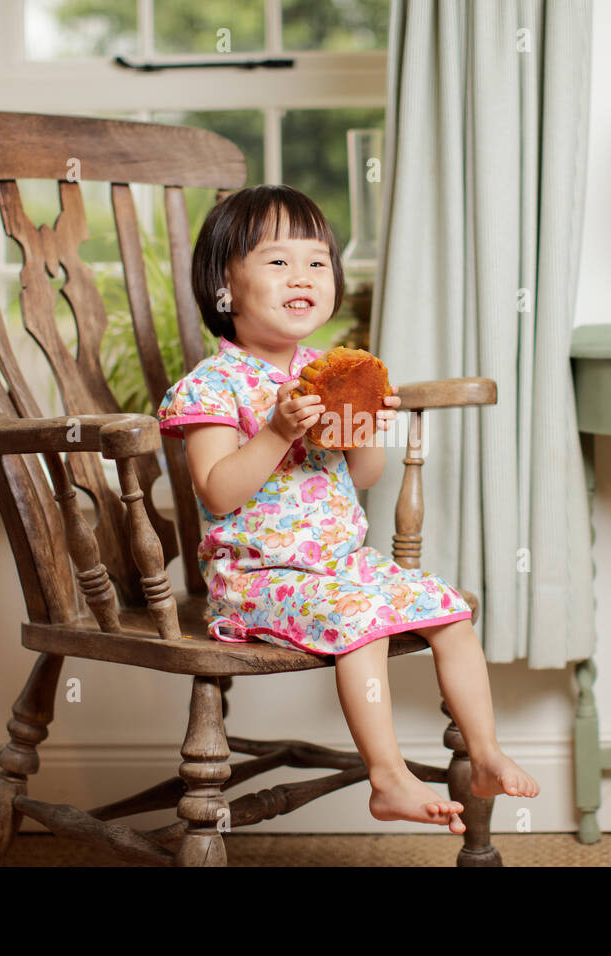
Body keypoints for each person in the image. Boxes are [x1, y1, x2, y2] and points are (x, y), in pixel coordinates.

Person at [156, 184, 538, 833]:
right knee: (363, 618)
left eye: (316, 261)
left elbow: (363, 475)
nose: (302, 275)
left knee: (451, 610)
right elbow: (217, 491)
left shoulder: (331, 371)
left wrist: (366, 430)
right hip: (257, 581)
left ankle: (485, 751)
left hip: (340, 567)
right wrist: (276, 432)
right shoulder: (214, 385)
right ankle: (388, 778)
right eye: (277, 261)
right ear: (224, 285)